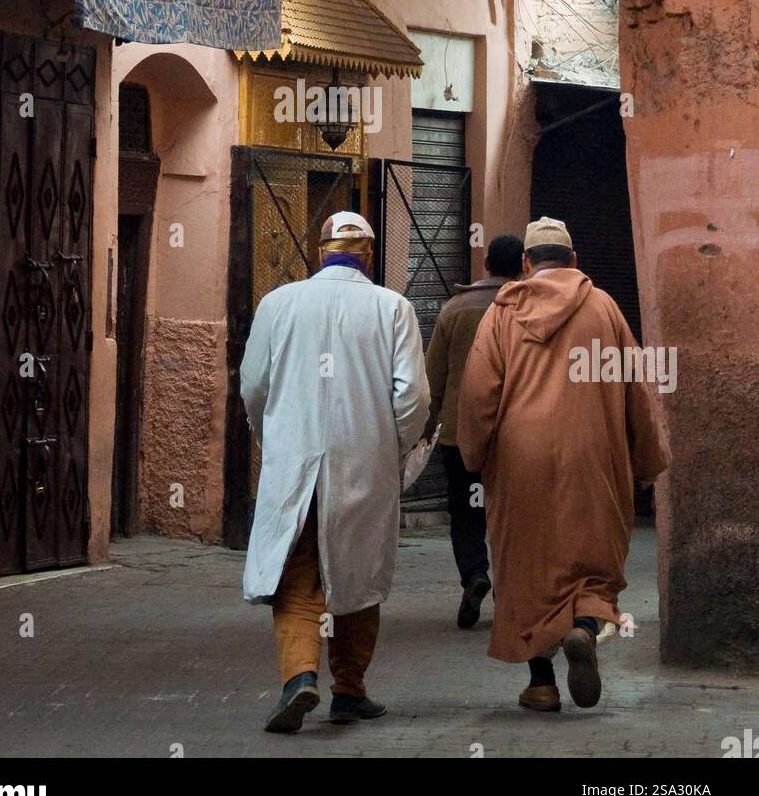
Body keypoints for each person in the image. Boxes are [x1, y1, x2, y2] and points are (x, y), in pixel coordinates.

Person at [457, 217, 670, 713]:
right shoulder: (604, 307)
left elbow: (477, 393)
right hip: (593, 455)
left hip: (519, 459)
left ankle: (542, 685)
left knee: (528, 566)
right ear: (574, 261)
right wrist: (647, 458)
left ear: (527, 264)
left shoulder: (503, 312)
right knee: (593, 561)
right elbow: (635, 388)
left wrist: (474, 453)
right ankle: (584, 628)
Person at [240, 210, 430, 734]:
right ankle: (349, 690)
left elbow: (253, 384)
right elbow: (413, 395)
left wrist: (271, 435)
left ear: (320, 249)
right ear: (369, 254)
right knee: (357, 574)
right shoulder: (394, 308)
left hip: (294, 463)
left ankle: (299, 677)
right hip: (364, 464)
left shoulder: (278, 304)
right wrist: (392, 448)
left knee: (297, 572)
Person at [424, 234, 524, 629]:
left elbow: (434, 376)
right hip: (514, 434)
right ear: (523, 264)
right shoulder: (528, 309)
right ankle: (509, 588)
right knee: (509, 512)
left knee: (466, 512)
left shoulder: (454, 308)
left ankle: (474, 574)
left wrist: (426, 425)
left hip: (460, 436)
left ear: (485, 263)